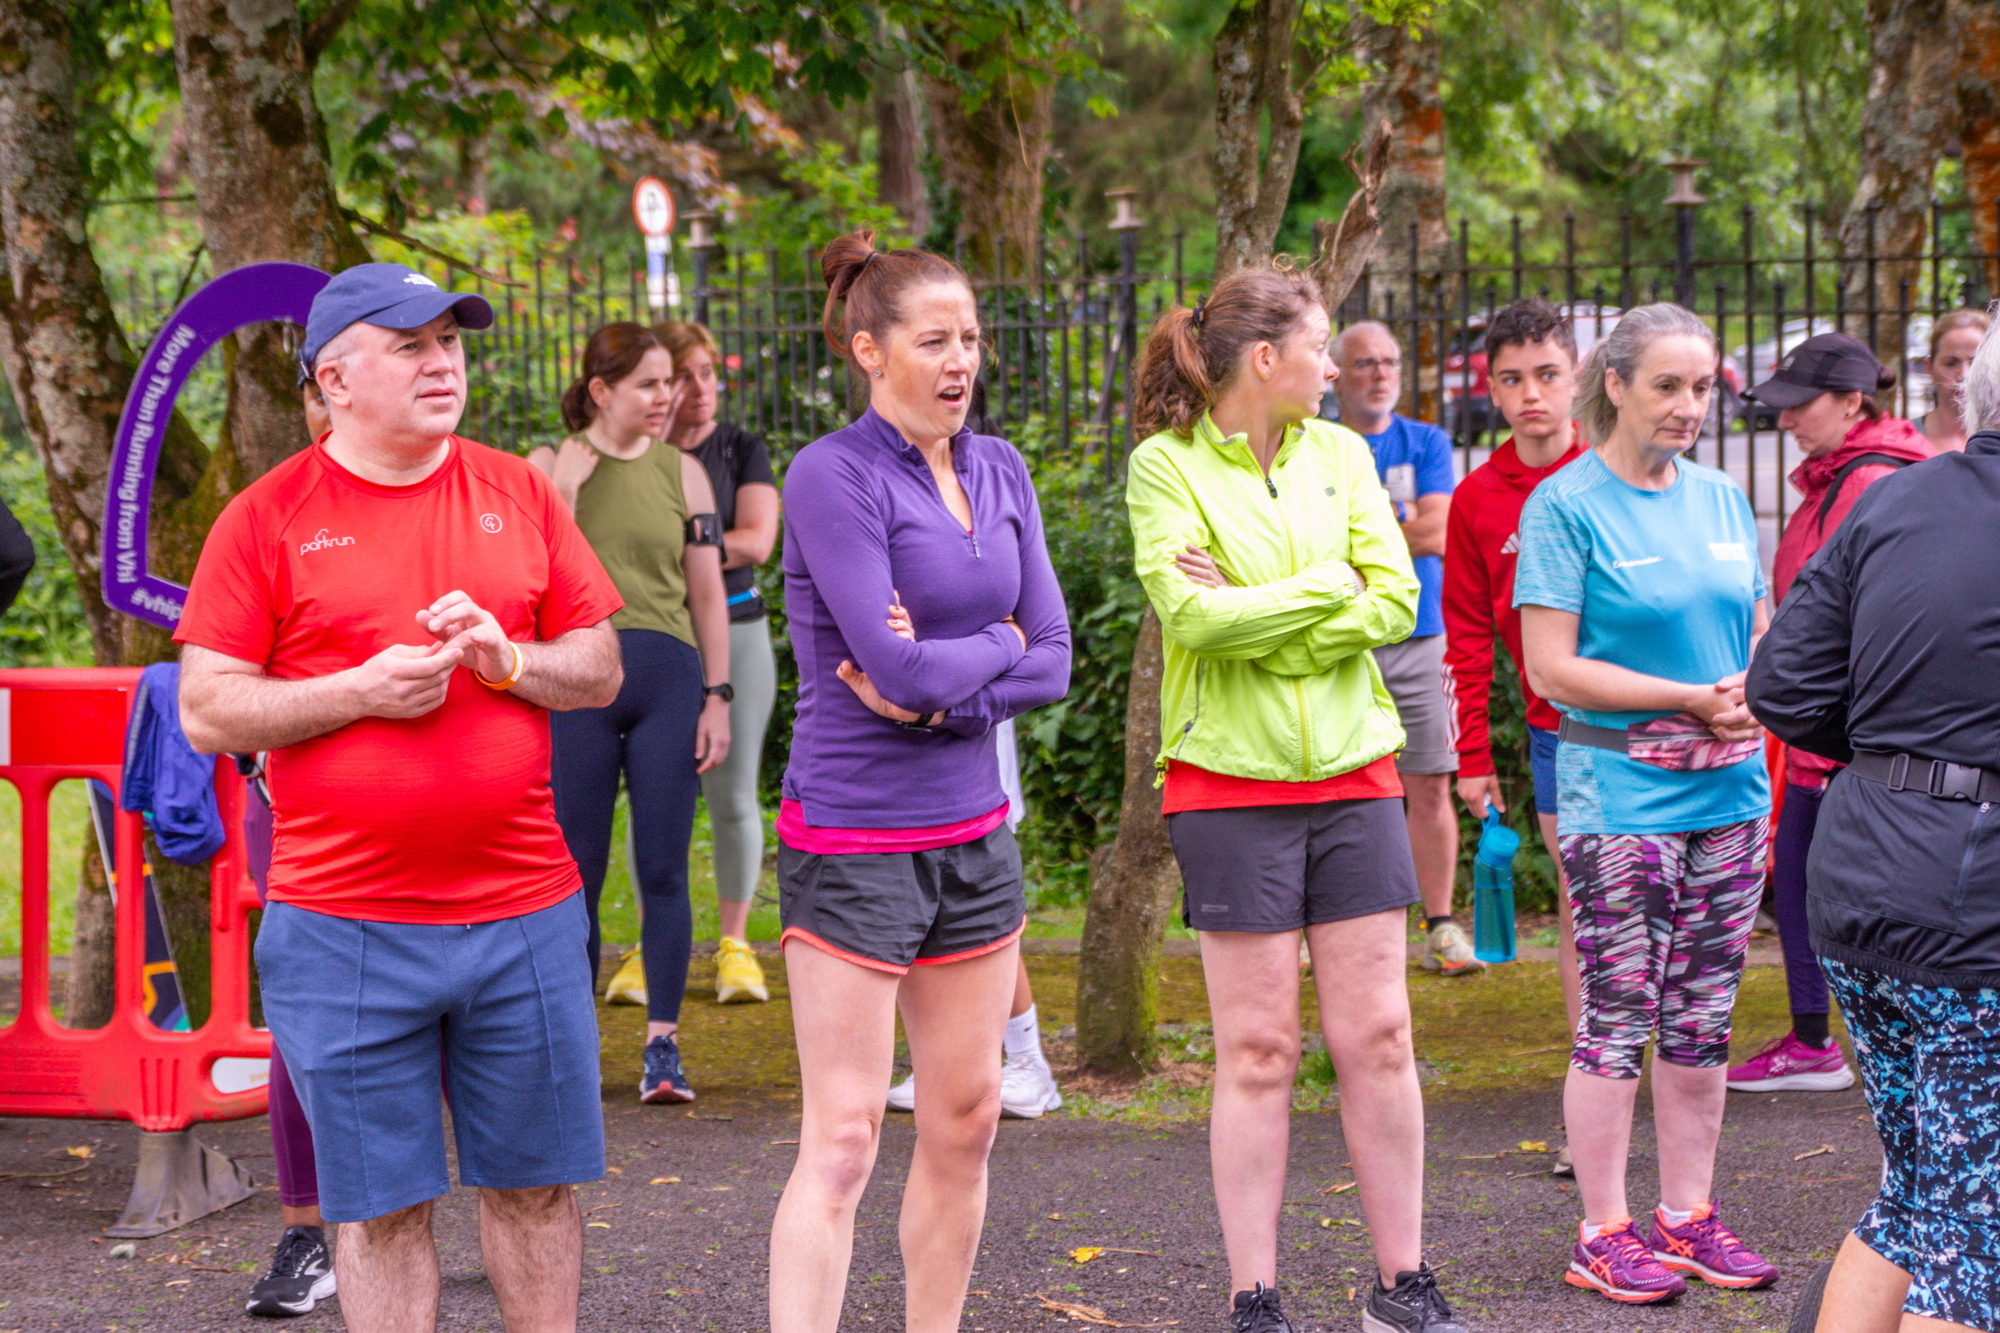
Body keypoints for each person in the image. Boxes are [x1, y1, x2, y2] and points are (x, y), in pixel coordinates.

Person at [175, 262, 623, 1333]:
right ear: (335, 375)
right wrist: (355, 692)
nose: (443, 363)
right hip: (344, 926)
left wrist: (506, 659)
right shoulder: (265, 516)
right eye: (411, 344)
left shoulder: (516, 487)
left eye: (452, 344)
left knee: (536, 1187)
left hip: (524, 911)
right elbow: (207, 709)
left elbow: (599, 664)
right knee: (378, 1211)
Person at [1129, 266, 1467, 1333]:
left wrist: (1272, 602)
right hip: (1225, 785)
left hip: (1357, 775)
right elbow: (1190, 620)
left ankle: (1400, 1286)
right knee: (1261, 1048)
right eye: (1321, 347)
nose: (1337, 367)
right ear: (1263, 358)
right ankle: (1254, 1296)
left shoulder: (1344, 454)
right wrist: (1328, 591)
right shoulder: (1161, 467)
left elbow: (1394, 599)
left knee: (1378, 1035)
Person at [767, 231, 1072, 1333]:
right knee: (844, 1137)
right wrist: (994, 646)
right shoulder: (828, 474)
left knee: (966, 1114)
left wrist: (957, 680)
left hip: (973, 836)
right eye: (933, 339)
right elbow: (885, 666)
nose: (960, 360)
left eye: (971, 338)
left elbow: (1055, 653)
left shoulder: (999, 468)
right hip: (853, 836)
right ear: (869, 351)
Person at [1514, 302, 1778, 1305]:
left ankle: (1685, 1214)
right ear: (1613, 384)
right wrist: (1683, 698)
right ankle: (1601, 1229)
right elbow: (1551, 669)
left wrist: (1753, 688)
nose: (1686, 406)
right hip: (1618, 798)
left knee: (1703, 1014)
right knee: (1618, 1016)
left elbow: (1756, 630)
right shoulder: (1564, 505)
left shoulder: (1717, 497)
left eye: (1701, 387)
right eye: (1666, 385)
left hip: (1731, 793)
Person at [1746, 321, 2000, 1333]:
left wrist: (1902, 750)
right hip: (1967, 908)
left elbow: (1783, 686)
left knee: (1917, 1197)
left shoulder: (1892, 498)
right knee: (1974, 1233)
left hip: (1856, 880)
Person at [529, 322, 732, 1104]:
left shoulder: (684, 473)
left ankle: (663, 1048)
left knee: (662, 865)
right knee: (574, 869)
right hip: (576, 680)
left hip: (668, 680)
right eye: (648, 383)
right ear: (601, 389)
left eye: (670, 383)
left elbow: (709, 594)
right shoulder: (545, 467)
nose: (666, 398)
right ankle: (572, 1046)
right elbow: (530, 579)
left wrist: (718, 695)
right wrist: (569, 489)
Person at [1726, 332, 1930, 1096]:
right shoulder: (1842, 475)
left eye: (1799, 406)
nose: (1785, 422)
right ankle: (1823, 1039)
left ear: (1852, 403)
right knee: (1811, 887)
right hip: (1831, 731)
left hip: (1843, 739)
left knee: (1816, 891)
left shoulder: (1869, 482)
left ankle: (1819, 1043)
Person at [1439, 297, 1587, 1175]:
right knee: (1581, 914)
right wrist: (1469, 757)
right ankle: (1588, 1107)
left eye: (1547, 375)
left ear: (1579, 379)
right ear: (1490, 388)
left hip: (1657, 731)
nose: (1531, 394)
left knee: (1664, 922)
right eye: (1512, 379)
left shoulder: (1613, 474)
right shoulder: (1476, 500)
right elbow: (1464, 639)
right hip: (1557, 738)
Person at [1330, 320, 1476, 976]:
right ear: (1338, 372)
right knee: (1335, 786)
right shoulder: (1320, 446)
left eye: (1389, 361)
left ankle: (1440, 922)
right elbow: (1311, 543)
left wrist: (1355, 549)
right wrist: (1400, 532)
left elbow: (1442, 531)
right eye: (1364, 363)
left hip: (1421, 636)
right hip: (1340, 641)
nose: (1380, 374)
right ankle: (1331, 925)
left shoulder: (1427, 440)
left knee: (1429, 782)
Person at [241, 379, 336, 1320]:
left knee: (448, 1024)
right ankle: (307, 1231)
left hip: (455, 835)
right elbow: (219, 686)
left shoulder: (483, 497)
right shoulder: (267, 514)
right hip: (300, 816)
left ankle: (436, 1208)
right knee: (303, 1024)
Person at [655, 319, 780, 1005]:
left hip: (738, 630)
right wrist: (707, 544)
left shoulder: (741, 448)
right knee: (657, 795)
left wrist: (667, 548)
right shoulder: (640, 455)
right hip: (659, 635)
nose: (701, 389)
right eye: (684, 375)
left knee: (733, 796)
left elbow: (758, 539)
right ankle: (653, 947)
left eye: (708, 373)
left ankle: (736, 946)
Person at [885, 718, 1064, 1119]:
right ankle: (935, 1064)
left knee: (982, 897)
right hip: (898, 763)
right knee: (910, 889)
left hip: (973, 743)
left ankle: (1027, 1060)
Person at [1914, 308, 1991, 453]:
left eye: (1976, 363)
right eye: (1950, 363)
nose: (1964, 375)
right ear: (1929, 367)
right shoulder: (1903, 440)